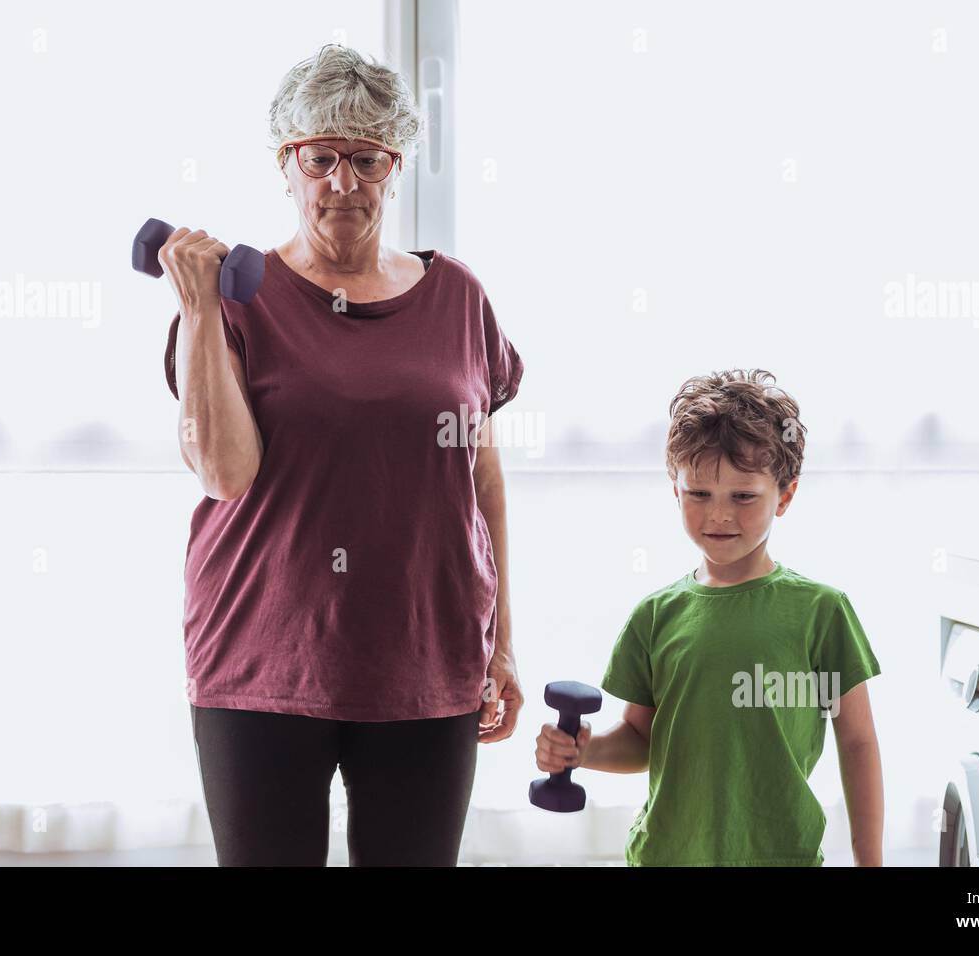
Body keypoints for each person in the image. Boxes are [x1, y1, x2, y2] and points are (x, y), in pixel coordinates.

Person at [160, 44, 524, 865]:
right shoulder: (231, 303)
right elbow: (224, 472)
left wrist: (500, 644)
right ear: (286, 166)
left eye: (367, 159)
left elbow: (483, 480)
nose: (342, 182)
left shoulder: (459, 297)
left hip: (427, 657)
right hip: (263, 658)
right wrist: (199, 309)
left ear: (396, 170)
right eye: (318, 157)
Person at [534, 369, 884, 866]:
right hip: (666, 855)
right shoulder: (655, 616)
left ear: (784, 496)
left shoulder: (821, 612)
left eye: (743, 497)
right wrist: (583, 752)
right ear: (675, 492)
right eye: (699, 494)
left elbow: (858, 742)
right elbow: (641, 740)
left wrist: (870, 860)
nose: (719, 515)